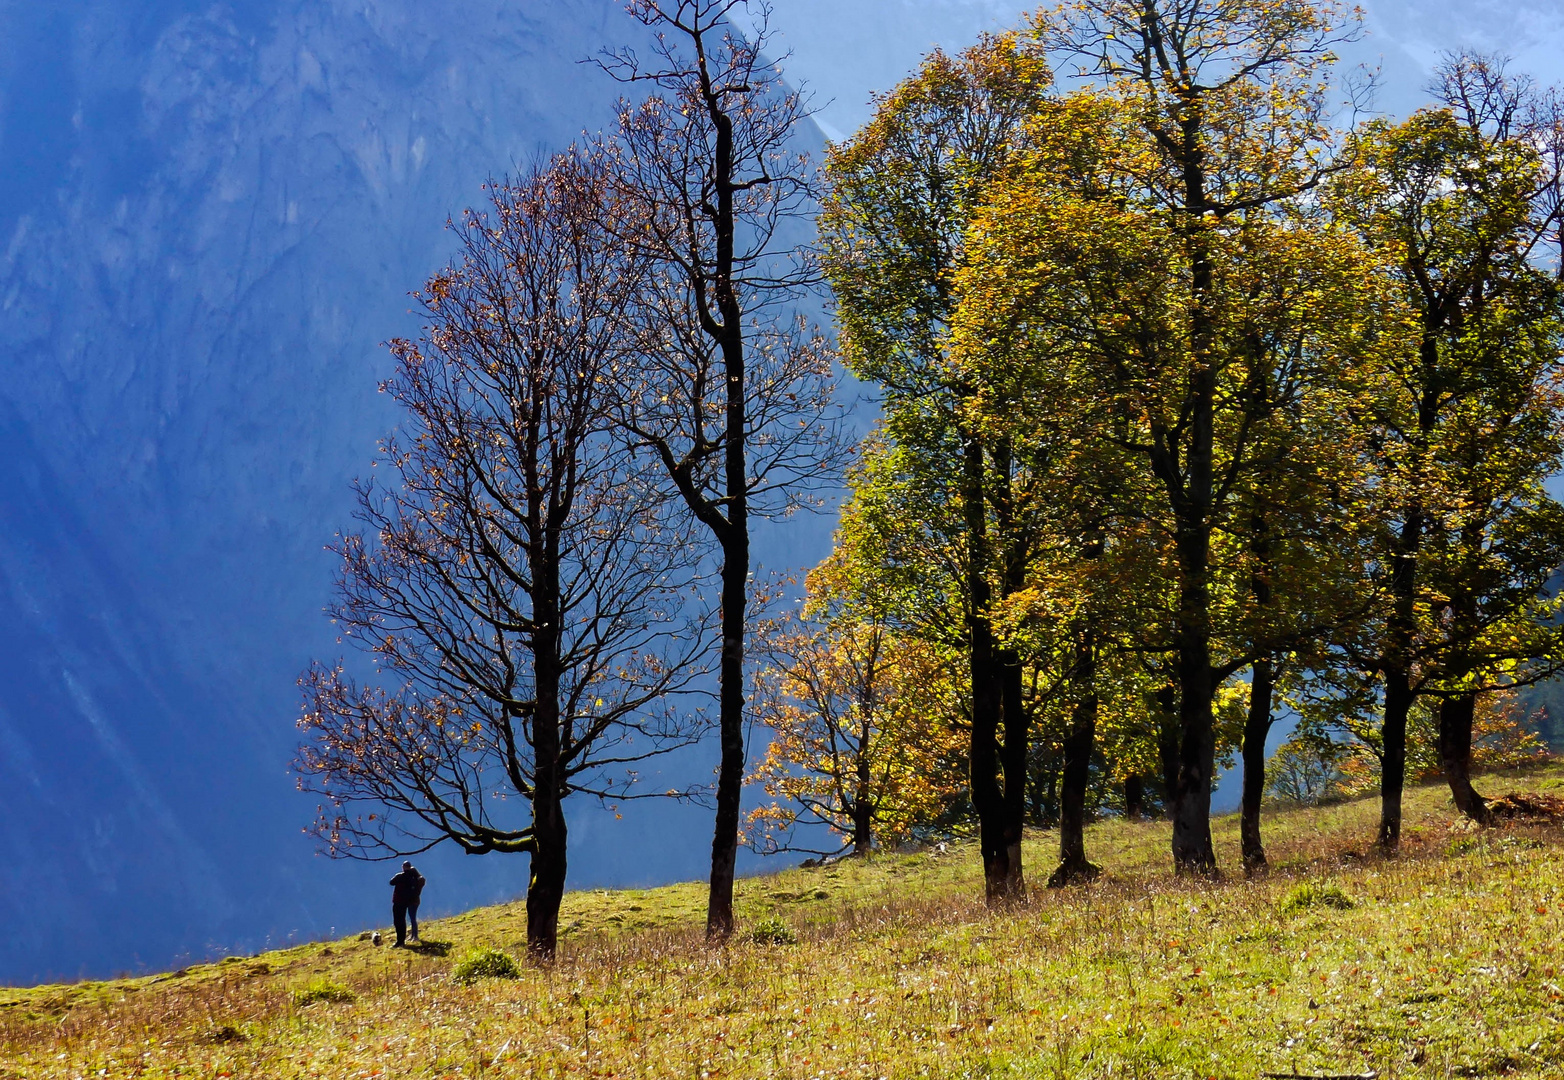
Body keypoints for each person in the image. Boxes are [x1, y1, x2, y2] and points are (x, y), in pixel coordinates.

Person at [389, 861, 425, 947]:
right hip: (406, 902)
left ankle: (400, 941)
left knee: (398, 921)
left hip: (398, 901)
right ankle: (403, 940)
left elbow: (391, 882)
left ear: (403, 867)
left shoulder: (400, 876)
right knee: (402, 921)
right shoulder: (413, 879)